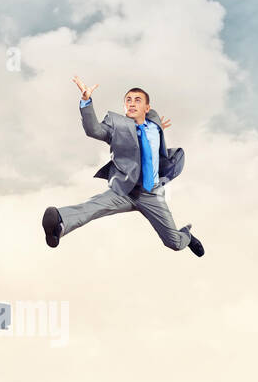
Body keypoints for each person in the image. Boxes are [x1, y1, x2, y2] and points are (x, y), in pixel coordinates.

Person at [42, 76, 203, 256]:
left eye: (137, 100)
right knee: (93, 206)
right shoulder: (116, 125)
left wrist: (158, 130)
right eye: (128, 100)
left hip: (151, 194)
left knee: (173, 242)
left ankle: (187, 236)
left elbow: (150, 143)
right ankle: (59, 223)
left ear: (147, 108)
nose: (132, 103)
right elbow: (94, 130)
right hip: (124, 190)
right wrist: (86, 101)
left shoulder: (154, 124)